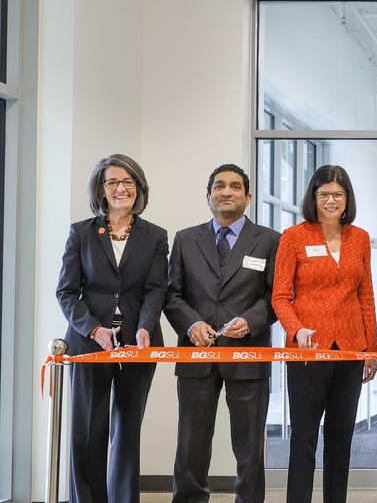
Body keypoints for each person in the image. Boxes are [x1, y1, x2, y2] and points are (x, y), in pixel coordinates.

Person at [163, 163, 280, 503]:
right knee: (191, 443)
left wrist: (251, 321)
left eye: (234, 186)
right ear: (208, 196)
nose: (226, 191)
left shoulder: (271, 240)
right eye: (219, 186)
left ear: (248, 196)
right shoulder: (186, 239)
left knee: (250, 446)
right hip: (196, 354)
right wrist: (191, 324)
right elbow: (172, 294)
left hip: (248, 354)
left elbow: (276, 296)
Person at [56, 154, 168, 503]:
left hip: (138, 343)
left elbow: (155, 290)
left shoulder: (155, 236)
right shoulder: (81, 233)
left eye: (128, 182)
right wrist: (94, 329)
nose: (122, 188)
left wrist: (146, 326)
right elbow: (66, 292)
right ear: (101, 189)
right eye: (113, 182)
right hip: (89, 343)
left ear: (139, 187)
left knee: (127, 432)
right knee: (88, 431)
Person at [271, 165, 377, 503]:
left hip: (350, 349)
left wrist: (371, 350)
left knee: (341, 438)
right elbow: (280, 296)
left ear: (347, 198)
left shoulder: (359, 237)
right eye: (324, 194)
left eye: (338, 194)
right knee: (304, 437)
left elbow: (365, 296)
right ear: (313, 197)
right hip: (308, 350)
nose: (331, 201)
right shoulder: (294, 237)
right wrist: (296, 329)